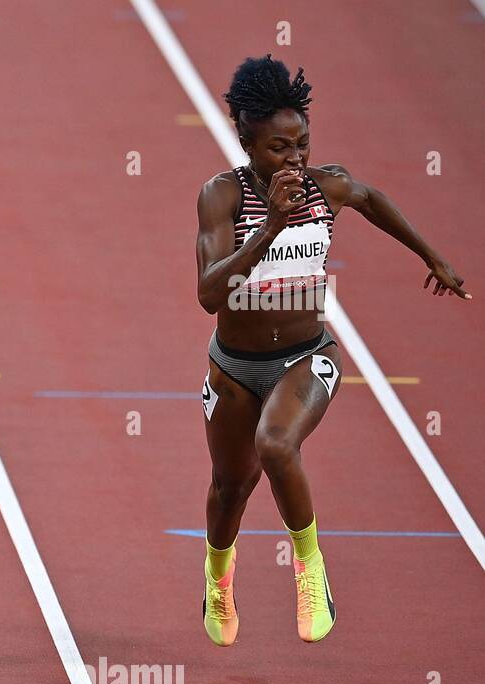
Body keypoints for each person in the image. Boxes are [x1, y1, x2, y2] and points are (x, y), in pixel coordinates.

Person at [195, 56, 469, 646]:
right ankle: (218, 576)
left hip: (306, 355)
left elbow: (372, 200)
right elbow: (208, 293)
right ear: (246, 143)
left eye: (301, 145)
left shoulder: (327, 185)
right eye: (277, 148)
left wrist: (432, 258)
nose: (293, 159)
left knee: (276, 444)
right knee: (228, 489)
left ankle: (310, 570)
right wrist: (269, 227)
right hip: (234, 368)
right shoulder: (223, 197)